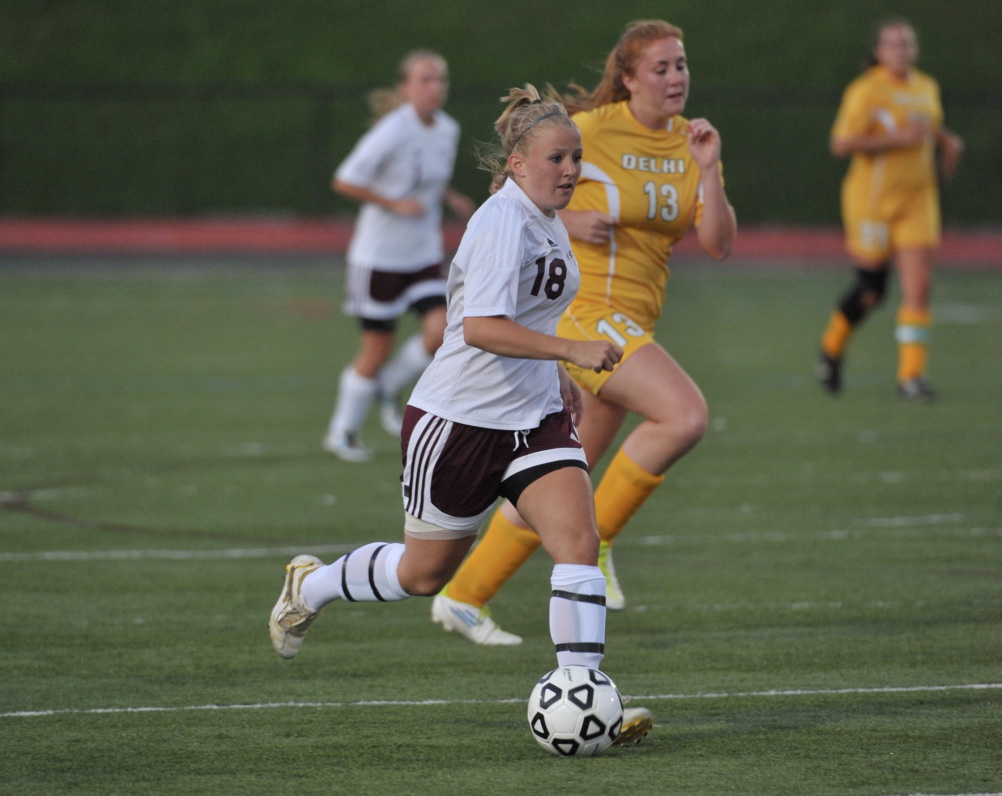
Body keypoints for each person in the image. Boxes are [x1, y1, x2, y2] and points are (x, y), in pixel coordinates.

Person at [271, 85, 652, 746]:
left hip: (532, 420)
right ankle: (315, 584)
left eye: (577, 158)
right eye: (558, 158)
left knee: (577, 543)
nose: (571, 170)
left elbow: (529, 317)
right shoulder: (503, 222)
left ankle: (587, 697)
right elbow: (479, 328)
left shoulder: (547, 218)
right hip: (459, 424)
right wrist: (572, 349)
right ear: (517, 163)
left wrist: (558, 375)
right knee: (423, 576)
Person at [431, 20, 737, 645]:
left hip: (633, 318)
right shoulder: (595, 130)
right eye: (661, 67)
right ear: (627, 78)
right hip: (583, 310)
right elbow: (512, 189)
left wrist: (707, 169)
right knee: (683, 416)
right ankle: (602, 547)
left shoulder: (692, 142)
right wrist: (574, 217)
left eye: (681, 65)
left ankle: (464, 595)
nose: (676, 77)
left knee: (562, 475)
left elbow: (719, 244)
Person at [323, 49, 475, 462]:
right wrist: (395, 203)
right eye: (424, 80)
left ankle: (389, 386)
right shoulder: (392, 130)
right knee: (376, 347)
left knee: (442, 329)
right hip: (378, 258)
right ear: (405, 87)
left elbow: (426, 174)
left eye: (440, 79)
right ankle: (343, 432)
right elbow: (346, 180)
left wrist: (450, 195)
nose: (434, 87)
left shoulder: (447, 128)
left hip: (422, 254)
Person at [816, 18, 963, 401]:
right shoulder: (866, 90)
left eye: (907, 44)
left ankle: (911, 377)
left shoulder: (926, 86)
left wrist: (947, 141)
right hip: (873, 204)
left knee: (919, 289)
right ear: (879, 52)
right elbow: (840, 144)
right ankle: (831, 348)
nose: (902, 50)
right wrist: (898, 139)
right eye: (894, 44)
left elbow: (929, 127)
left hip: (918, 201)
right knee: (871, 292)